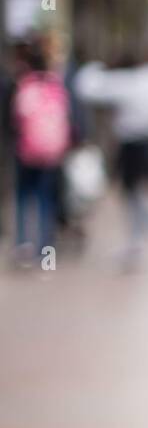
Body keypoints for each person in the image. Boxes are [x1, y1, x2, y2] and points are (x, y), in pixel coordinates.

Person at [75, 50, 148, 269]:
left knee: (136, 197)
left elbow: (86, 87)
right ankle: (145, 243)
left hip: (134, 147)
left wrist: (94, 65)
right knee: (138, 196)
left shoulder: (127, 84)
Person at [8, 41, 73, 266]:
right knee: (46, 199)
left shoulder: (25, 87)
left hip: (27, 153)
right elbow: (66, 118)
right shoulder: (56, 87)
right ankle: (46, 247)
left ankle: (23, 244)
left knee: (24, 198)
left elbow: (16, 118)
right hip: (51, 153)